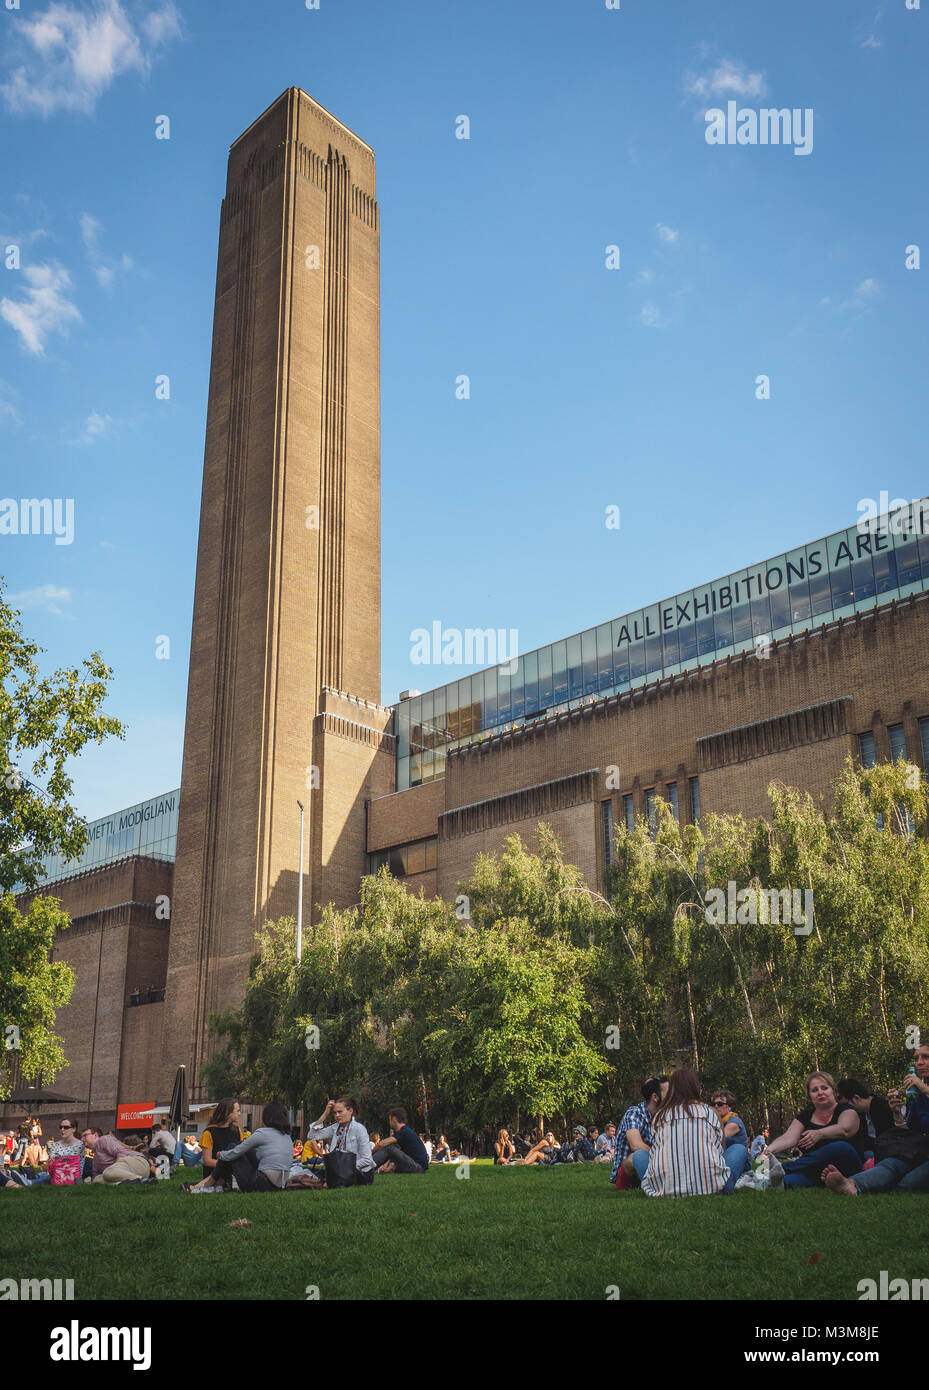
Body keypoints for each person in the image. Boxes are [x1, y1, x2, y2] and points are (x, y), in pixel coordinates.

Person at [825, 1039, 929, 1196]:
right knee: (892, 1164)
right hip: (922, 1152)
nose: (919, 1063)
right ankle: (851, 1184)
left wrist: (923, 1087)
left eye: (925, 1057)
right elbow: (912, 1131)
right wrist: (897, 1114)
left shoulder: (920, 1090)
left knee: (906, 1184)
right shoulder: (918, 1096)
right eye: (916, 1058)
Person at [632, 1068, 748, 1196]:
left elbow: (654, 1153)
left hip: (664, 1190)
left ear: (672, 1090)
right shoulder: (709, 1112)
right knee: (739, 1148)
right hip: (715, 1188)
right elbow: (720, 1149)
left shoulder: (660, 1116)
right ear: (696, 1088)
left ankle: (662, 1185)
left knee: (639, 1155)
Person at [763, 1071, 861, 1189]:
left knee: (841, 1147)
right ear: (810, 1096)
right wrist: (768, 1151)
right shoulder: (805, 1116)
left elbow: (845, 1129)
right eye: (814, 1090)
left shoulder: (847, 1110)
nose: (820, 1092)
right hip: (817, 1170)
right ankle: (766, 1179)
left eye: (824, 1088)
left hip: (846, 1163)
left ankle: (783, 1168)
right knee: (789, 1181)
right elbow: (789, 1137)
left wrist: (819, 1134)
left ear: (833, 1091)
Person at [185, 1102, 294, 1192]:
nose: (240, 1114)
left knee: (232, 1148)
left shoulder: (262, 1133)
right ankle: (210, 1183)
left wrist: (220, 1154)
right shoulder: (287, 1137)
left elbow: (236, 1152)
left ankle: (206, 1184)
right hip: (280, 1185)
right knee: (237, 1150)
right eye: (238, 1111)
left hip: (260, 1183)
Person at [609, 1075, 670, 1187]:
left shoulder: (664, 1117)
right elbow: (636, 1145)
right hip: (630, 1173)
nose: (672, 1097)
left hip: (653, 1165)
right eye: (669, 1093)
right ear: (655, 1097)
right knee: (637, 1155)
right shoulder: (634, 1113)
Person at [306, 1097, 375, 1184]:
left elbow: (367, 1159)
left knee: (330, 1177)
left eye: (340, 1112)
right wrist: (325, 1114)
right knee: (307, 1171)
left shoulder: (359, 1129)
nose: (337, 1115)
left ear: (350, 1111)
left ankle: (330, 1181)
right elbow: (311, 1136)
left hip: (360, 1173)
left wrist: (344, 1166)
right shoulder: (335, 1128)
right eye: (334, 1113)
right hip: (339, 1171)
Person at [836, 1078, 895, 1158]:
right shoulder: (864, 1113)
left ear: (856, 1098)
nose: (846, 1109)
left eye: (846, 1105)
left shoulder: (880, 1107)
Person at [197, 1099, 246, 1187]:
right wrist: (228, 1165)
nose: (239, 1114)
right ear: (228, 1113)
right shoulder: (208, 1133)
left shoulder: (237, 1130)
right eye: (238, 1111)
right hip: (214, 1174)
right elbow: (207, 1161)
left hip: (234, 1172)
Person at [82, 1128, 153, 1184]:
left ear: (95, 1135)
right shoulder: (95, 1156)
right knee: (97, 1180)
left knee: (108, 1172)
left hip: (137, 1162)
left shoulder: (103, 1139)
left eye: (85, 1135)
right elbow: (96, 1176)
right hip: (125, 1173)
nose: (82, 1139)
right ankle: (121, 1183)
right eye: (81, 1137)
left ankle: (142, 1180)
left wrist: (113, 1170)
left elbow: (121, 1154)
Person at [372, 1107, 430, 1174]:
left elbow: (381, 1144)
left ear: (394, 1119)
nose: (389, 1122)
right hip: (417, 1166)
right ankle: (370, 1168)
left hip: (418, 1168)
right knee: (392, 1148)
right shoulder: (406, 1131)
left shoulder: (404, 1132)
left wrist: (369, 1154)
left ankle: (366, 1167)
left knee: (388, 1147)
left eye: (389, 1120)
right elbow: (399, 1155)